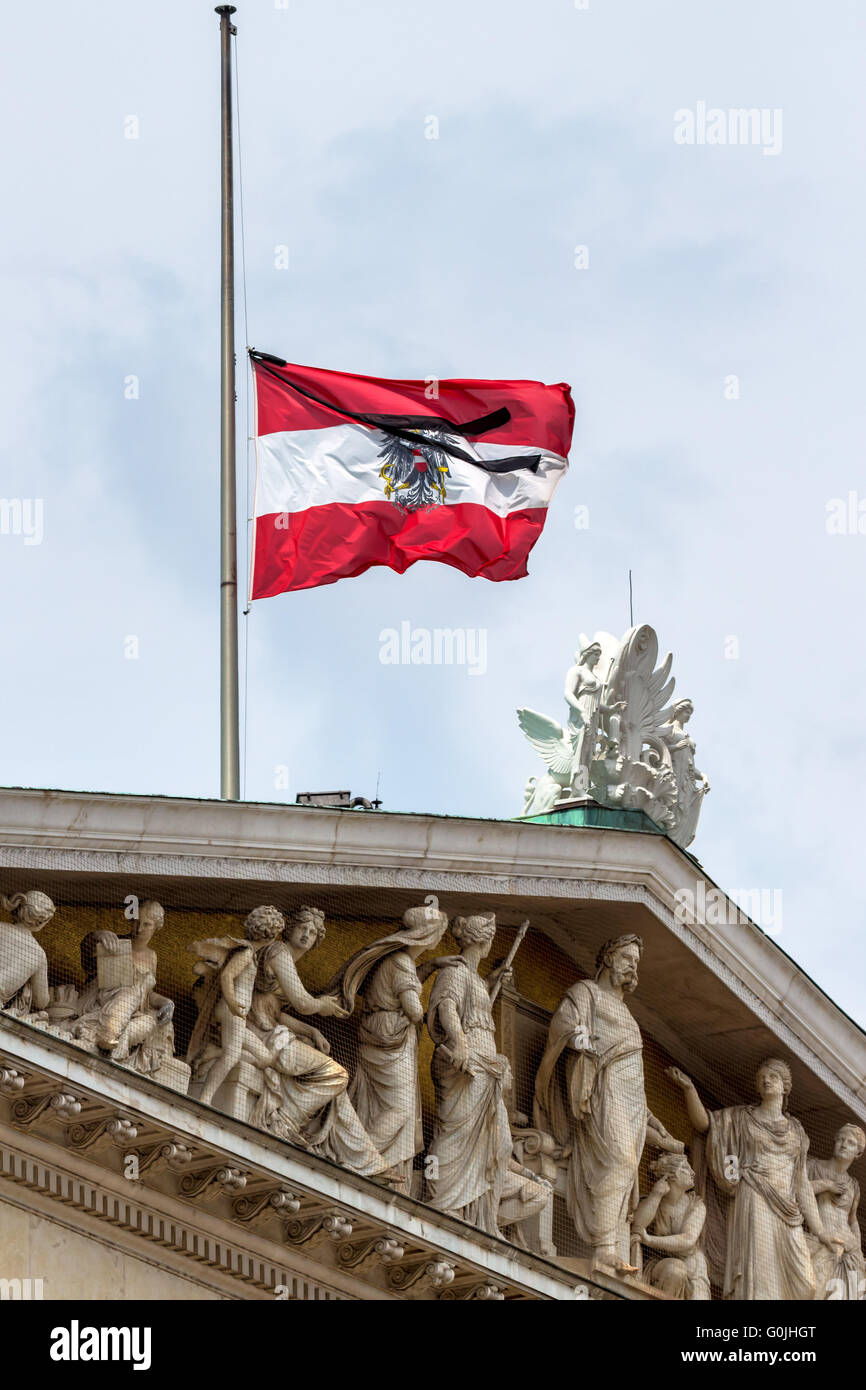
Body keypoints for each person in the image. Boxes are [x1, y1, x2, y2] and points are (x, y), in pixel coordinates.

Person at [533, 934, 682, 1276]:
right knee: (621, 1160)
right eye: (627, 957)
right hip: (601, 1092)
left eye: (636, 961)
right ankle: (604, 1250)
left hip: (632, 1102)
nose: (632, 966)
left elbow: (634, 1074)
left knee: (627, 1167)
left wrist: (651, 1117)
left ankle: (608, 1248)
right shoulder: (586, 993)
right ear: (609, 957)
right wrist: (582, 1040)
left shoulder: (627, 1013)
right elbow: (563, 1024)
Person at [667, 1057, 836, 1300]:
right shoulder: (741, 1118)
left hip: (787, 1208)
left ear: (785, 1086)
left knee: (805, 1284)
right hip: (754, 1196)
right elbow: (705, 1126)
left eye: (773, 1077)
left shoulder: (797, 1131)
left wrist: (820, 1231)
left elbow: (802, 1185)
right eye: (761, 1078)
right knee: (760, 1272)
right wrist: (689, 1088)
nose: (766, 1081)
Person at [425, 912, 548, 1238]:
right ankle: (444, 1201)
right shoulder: (455, 971)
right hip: (465, 1063)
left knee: (501, 1143)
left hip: (486, 1067)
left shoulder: (476, 980)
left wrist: (491, 982)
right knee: (456, 1131)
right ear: (485, 939)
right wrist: (460, 1043)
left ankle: (482, 1215)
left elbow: (475, 1006)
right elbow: (447, 1007)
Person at [331, 897, 450, 1194]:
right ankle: (359, 1161)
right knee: (400, 1109)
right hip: (390, 1039)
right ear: (429, 935)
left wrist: (431, 965)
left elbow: (402, 987)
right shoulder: (401, 964)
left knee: (383, 1106)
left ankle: (369, 1160)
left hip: (380, 1036)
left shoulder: (397, 961)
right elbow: (414, 1011)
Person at [632, 1152, 710, 1299]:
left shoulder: (696, 1205)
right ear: (671, 1175)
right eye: (685, 1168)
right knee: (675, 1270)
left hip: (693, 1265)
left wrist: (649, 1240)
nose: (692, 1173)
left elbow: (688, 1239)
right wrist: (655, 1195)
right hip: (659, 1264)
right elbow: (637, 1225)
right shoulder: (653, 1201)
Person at [807, 1122, 866, 1300]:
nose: (843, 1145)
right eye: (840, 1139)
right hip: (823, 1241)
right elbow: (797, 1191)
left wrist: (859, 1251)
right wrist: (825, 1185)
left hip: (850, 1251)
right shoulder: (814, 1167)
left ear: (858, 1153)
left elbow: (852, 1220)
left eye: (850, 1142)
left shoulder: (853, 1185)